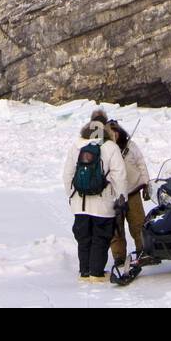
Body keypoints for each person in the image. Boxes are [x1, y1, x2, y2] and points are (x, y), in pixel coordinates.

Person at [63, 119, 127, 282]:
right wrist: (121, 197)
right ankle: (96, 273)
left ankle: (84, 272)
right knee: (101, 237)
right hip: (102, 203)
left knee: (84, 238)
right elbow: (119, 175)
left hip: (80, 203)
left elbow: (67, 173)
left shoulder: (76, 146)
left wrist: (71, 194)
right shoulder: (111, 147)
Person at [106, 120, 150, 268]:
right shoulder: (103, 149)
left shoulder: (131, 146)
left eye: (116, 131)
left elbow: (141, 164)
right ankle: (119, 257)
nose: (114, 134)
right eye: (111, 132)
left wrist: (146, 183)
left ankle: (143, 250)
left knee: (138, 223)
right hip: (114, 194)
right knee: (115, 228)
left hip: (133, 191)